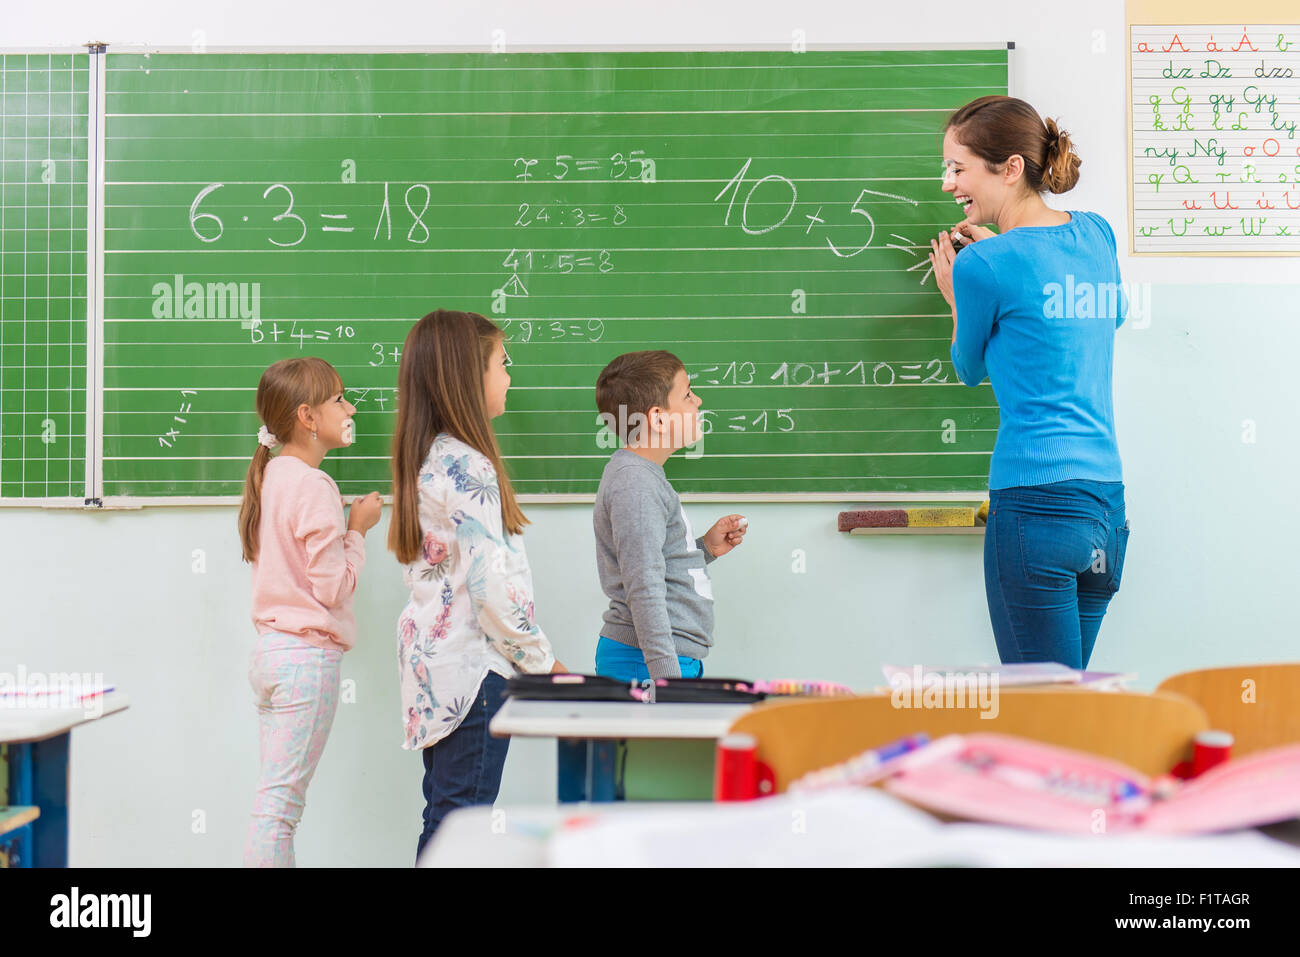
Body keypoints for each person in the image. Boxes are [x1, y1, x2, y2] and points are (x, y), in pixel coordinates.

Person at [928, 95, 1130, 670]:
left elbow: (969, 370)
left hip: (1035, 505)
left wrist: (957, 299)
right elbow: (1103, 319)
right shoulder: (1098, 235)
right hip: (1105, 511)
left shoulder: (979, 266)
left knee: (1040, 711)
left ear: (1010, 167)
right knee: (1068, 703)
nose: (949, 186)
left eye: (957, 168)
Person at [389, 308, 566, 862]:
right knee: (460, 826)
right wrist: (544, 663)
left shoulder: (428, 458)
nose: (510, 376)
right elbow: (493, 589)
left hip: (435, 671)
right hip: (474, 674)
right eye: (501, 363)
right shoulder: (469, 466)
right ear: (468, 375)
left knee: (445, 818)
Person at [238, 356, 383, 867]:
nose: (351, 407)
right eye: (340, 399)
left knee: (274, 800)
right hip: (305, 660)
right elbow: (331, 588)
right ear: (307, 417)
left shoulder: (272, 475)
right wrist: (359, 531)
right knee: (279, 808)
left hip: (271, 656)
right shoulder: (314, 485)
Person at [592, 350, 747, 682]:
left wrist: (705, 549)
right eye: (688, 394)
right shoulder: (635, 483)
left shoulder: (643, 476)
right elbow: (643, 585)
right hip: (648, 665)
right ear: (659, 419)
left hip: (657, 660)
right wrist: (667, 680)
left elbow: (655, 562)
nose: (699, 401)